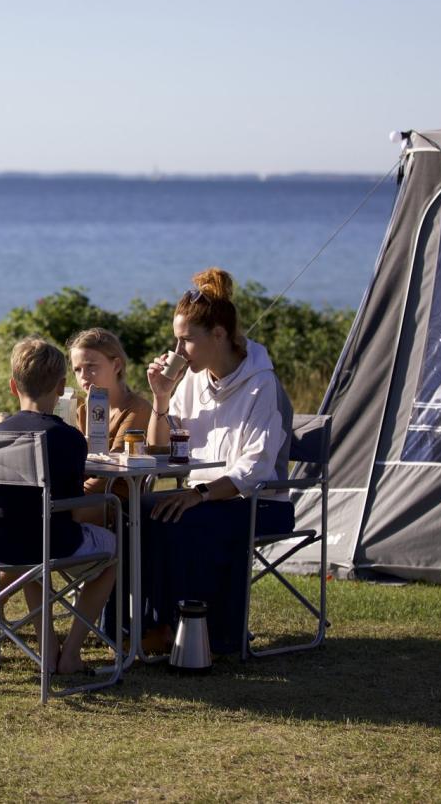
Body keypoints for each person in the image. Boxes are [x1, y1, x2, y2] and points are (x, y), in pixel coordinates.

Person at [140, 267, 293, 656]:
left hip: (259, 502)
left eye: (186, 341)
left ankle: (196, 632)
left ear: (219, 335)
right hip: (204, 495)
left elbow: (255, 471)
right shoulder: (192, 381)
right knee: (133, 511)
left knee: (183, 517)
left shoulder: (262, 385)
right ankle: (141, 625)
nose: (177, 352)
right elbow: (161, 451)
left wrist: (200, 494)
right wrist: (160, 398)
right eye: (176, 341)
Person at [0, 337, 118, 674]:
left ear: (12, 386)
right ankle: (71, 654)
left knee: (31, 557)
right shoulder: (67, 438)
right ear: (62, 387)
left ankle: (47, 647)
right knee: (110, 555)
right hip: (51, 541)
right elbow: (77, 510)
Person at [68, 327, 153, 510]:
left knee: (56, 514)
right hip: (81, 492)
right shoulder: (81, 409)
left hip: (116, 499)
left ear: (116, 366)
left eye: (91, 366)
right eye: (77, 369)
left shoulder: (137, 408)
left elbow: (114, 465)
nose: (83, 376)